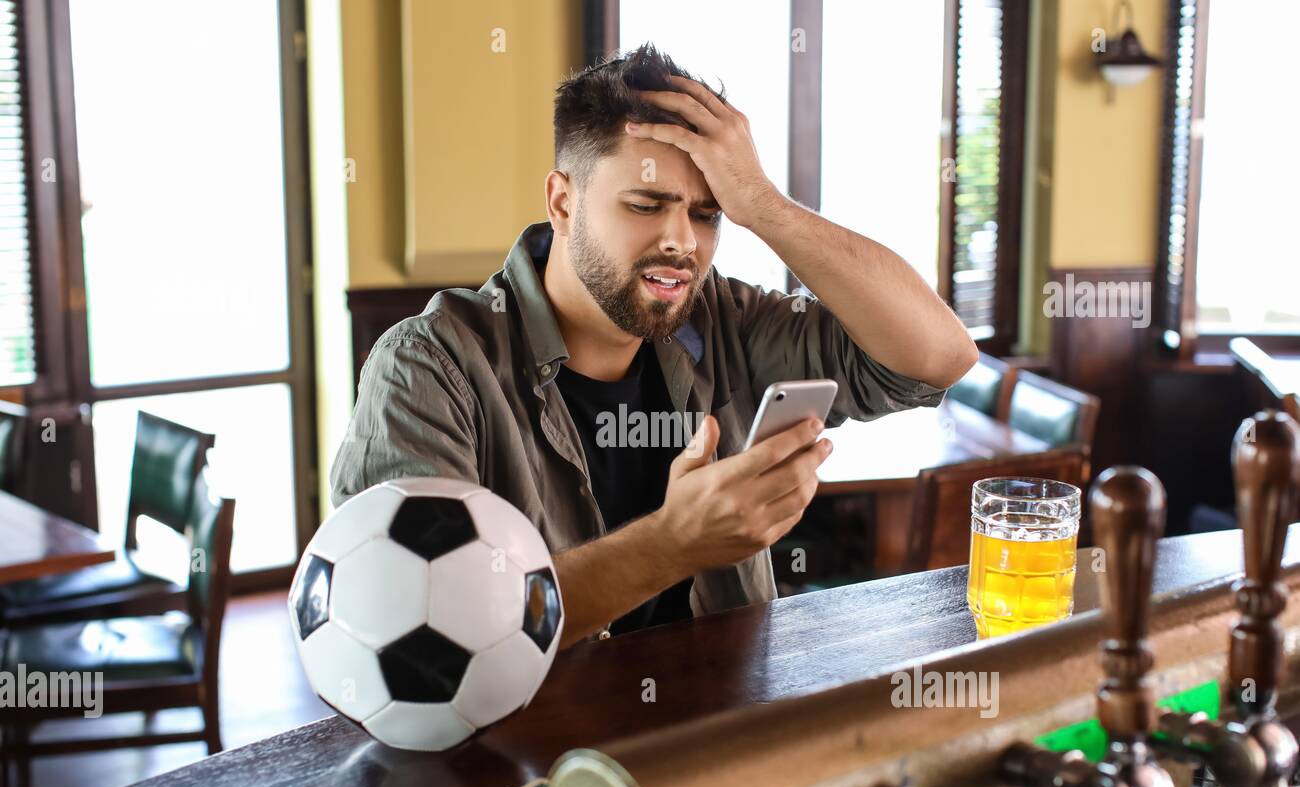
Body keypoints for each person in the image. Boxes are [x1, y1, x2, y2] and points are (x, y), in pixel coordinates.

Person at [330, 44, 978, 648]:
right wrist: (672, 544)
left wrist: (762, 205)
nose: (682, 243)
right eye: (645, 204)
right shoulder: (429, 366)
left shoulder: (721, 316)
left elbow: (937, 357)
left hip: (715, 737)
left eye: (706, 212)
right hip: (528, 763)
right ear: (562, 202)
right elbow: (421, 629)